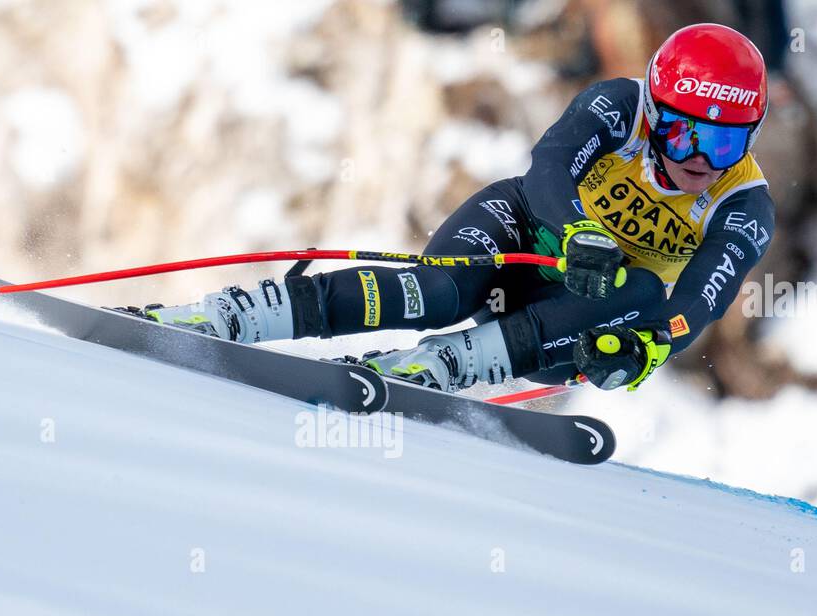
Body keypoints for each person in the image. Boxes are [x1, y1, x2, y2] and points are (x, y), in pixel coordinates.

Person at [137, 22, 775, 395]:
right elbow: (550, 167)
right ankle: (234, 315)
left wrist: (650, 349)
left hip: (578, 309)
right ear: (656, 113)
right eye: (683, 132)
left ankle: (446, 364)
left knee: (638, 290)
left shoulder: (743, 203)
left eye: (724, 139)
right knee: (440, 290)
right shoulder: (618, 105)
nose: (701, 157)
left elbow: (702, 296)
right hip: (526, 230)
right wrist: (577, 232)